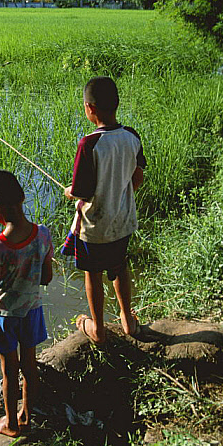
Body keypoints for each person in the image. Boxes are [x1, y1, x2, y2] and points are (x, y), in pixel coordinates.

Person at [62, 76, 146, 346]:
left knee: (93, 274)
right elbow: (137, 176)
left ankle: (97, 328)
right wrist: (122, 194)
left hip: (94, 227)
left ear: (90, 108)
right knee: (120, 267)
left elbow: (82, 192)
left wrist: (69, 191)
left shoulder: (89, 144)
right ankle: (127, 320)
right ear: (117, 104)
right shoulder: (132, 136)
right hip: (123, 222)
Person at [0, 170, 53, 438]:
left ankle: (10, 424)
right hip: (33, 311)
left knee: (10, 371)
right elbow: (46, 277)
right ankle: (26, 415)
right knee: (29, 366)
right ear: (22, 197)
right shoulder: (43, 234)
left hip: (5, 317)